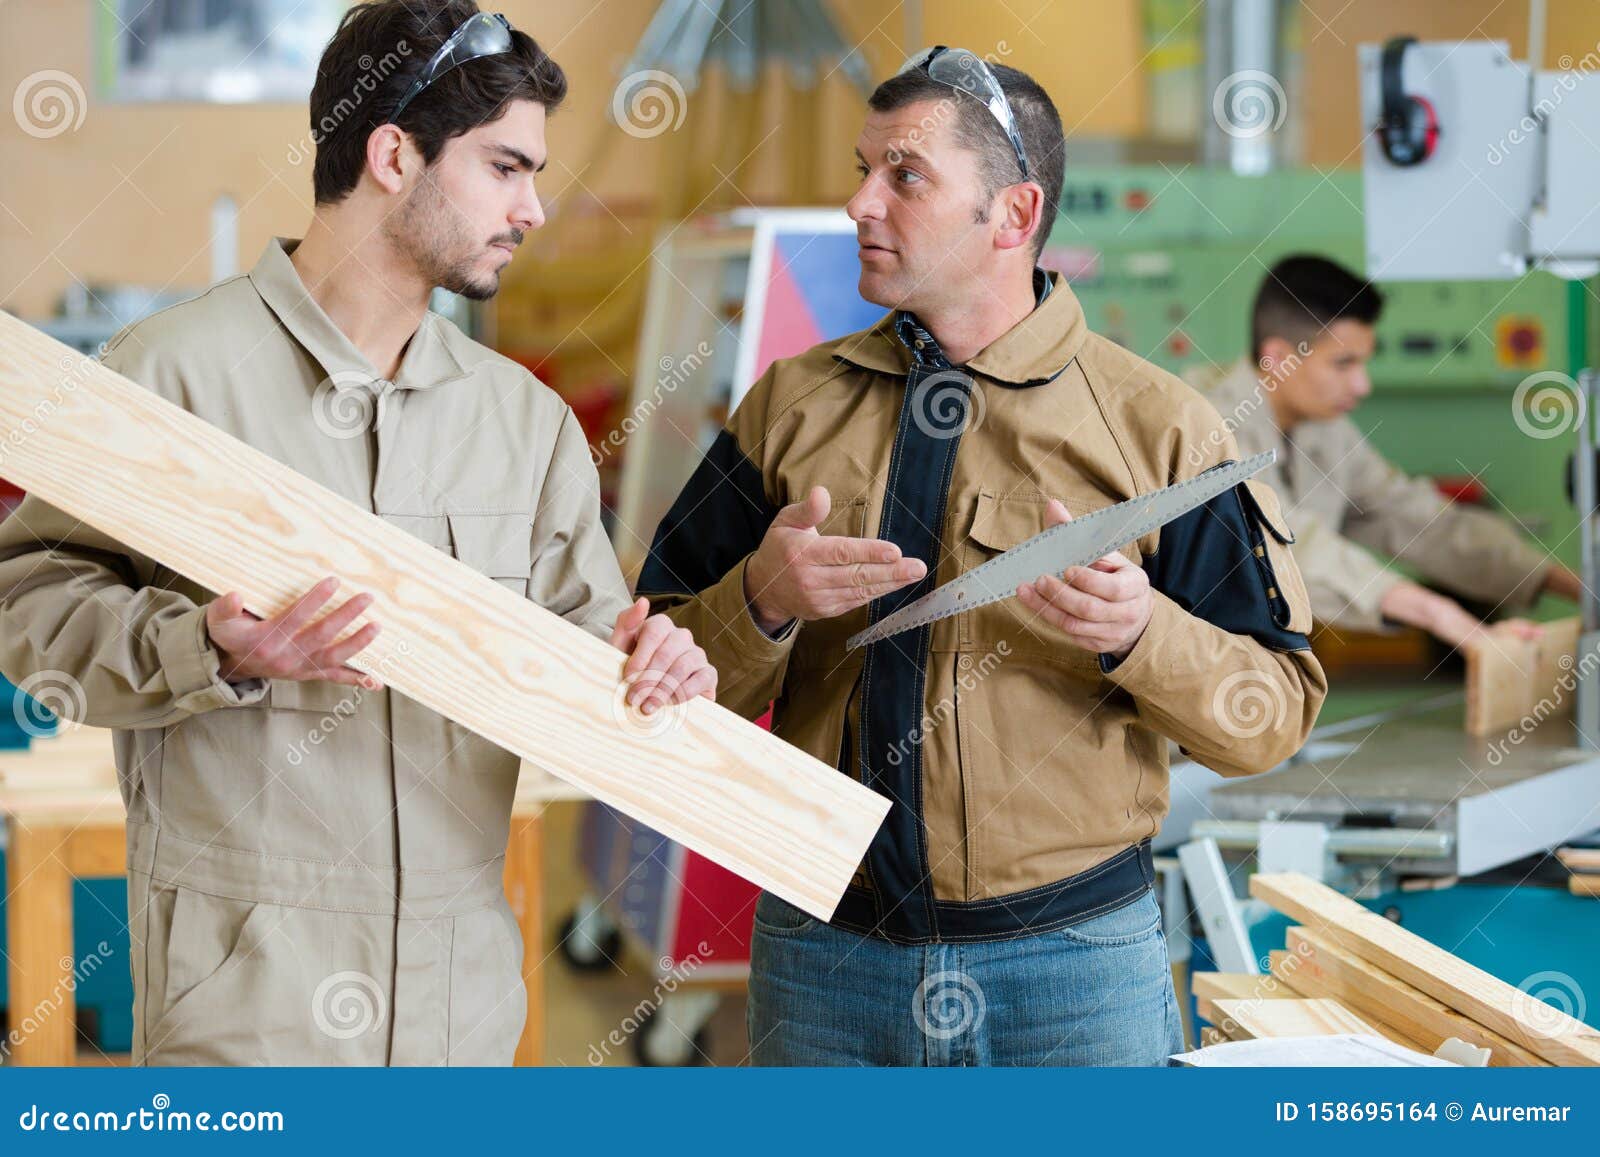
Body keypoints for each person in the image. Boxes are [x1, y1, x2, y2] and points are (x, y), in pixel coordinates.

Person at [0, 0, 713, 1065]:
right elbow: (28, 603)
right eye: (505, 166)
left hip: (460, 1014)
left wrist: (651, 661)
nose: (533, 206)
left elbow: (587, 646)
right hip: (242, 1009)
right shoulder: (168, 376)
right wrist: (209, 648)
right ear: (393, 154)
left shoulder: (522, 424)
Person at [635, 48, 1326, 1066]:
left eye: (903, 175)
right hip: (823, 957)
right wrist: (761, 602)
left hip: (1072, 972)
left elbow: (1274, 712)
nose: (859, 202)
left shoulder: (1162, 432)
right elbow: (652, 671)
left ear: (1011, 214)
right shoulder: (789, 405)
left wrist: (1142, 631)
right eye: (863, 169)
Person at [1194, 255, 1581, 649]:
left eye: (1364, 362)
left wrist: (1569, 583)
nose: (1362, 385)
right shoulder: (1206, 427)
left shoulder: (1325, 427)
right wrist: (1448, 620)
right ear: (1277, 358)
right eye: (1343, 363)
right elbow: (1285, 550)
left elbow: (1414, 518)